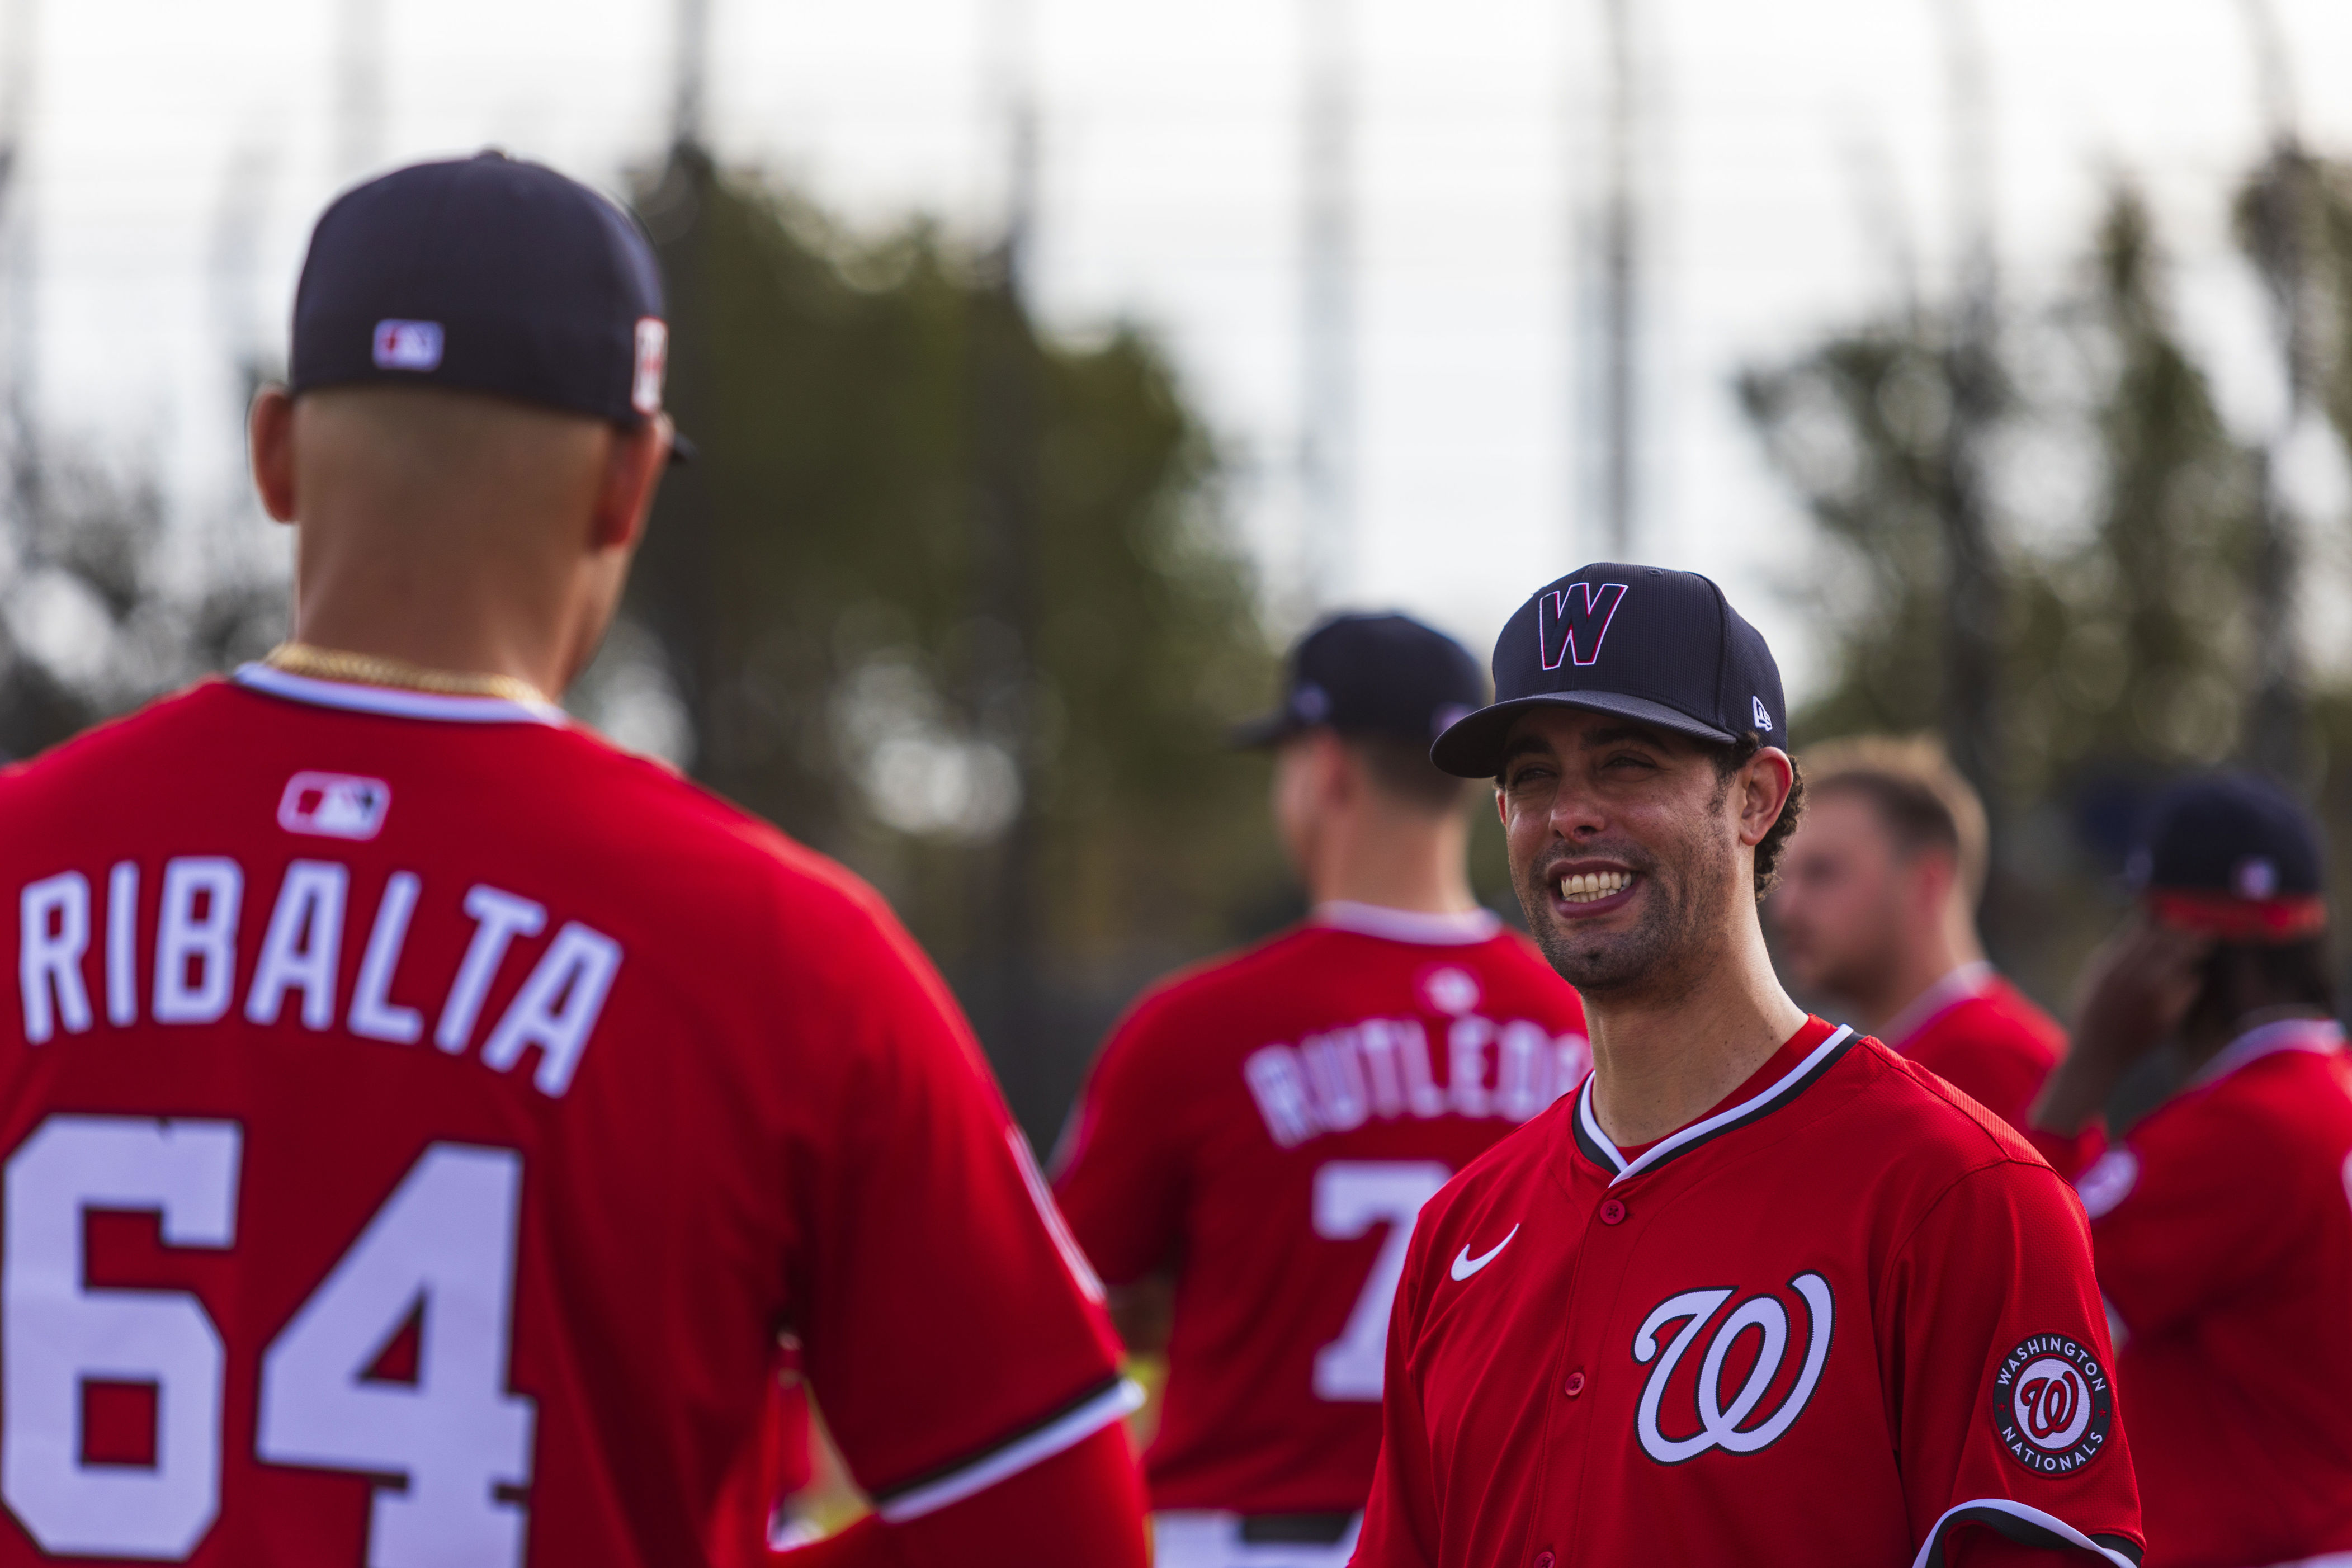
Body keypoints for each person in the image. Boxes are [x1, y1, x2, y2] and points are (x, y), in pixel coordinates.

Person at [0, 153, 1146, 1568]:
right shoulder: (782, 952)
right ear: (627, 482)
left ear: (275, 453)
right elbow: (1058, 1531)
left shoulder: (20, 859)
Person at [1353, 564, 2142, 1567]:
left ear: (1755, 798)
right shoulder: (1460, 1231)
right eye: (1533, 776)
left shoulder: (1957, 1191)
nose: (1569, 813)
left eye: (1626, 762)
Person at [1051, 613, 1589, 1568]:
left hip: (1249, 1541)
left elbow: (1069, 1302)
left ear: (1326, 767)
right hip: (1503, 1536)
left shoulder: (1197, 1027)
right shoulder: (1581, 1023)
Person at [2032, 773, 2352, 1568]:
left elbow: (2023, 1290)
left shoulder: (2243, 1127)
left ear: (2180, 949)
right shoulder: (2328, 1088)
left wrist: (2089, 1062)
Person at [1771, 735, 2099, 1175]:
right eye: (1785, 878)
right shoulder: (1911, 1058)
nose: (1786, 908)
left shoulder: (1998, 1064)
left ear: (1927, 881)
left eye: (1822, 873)